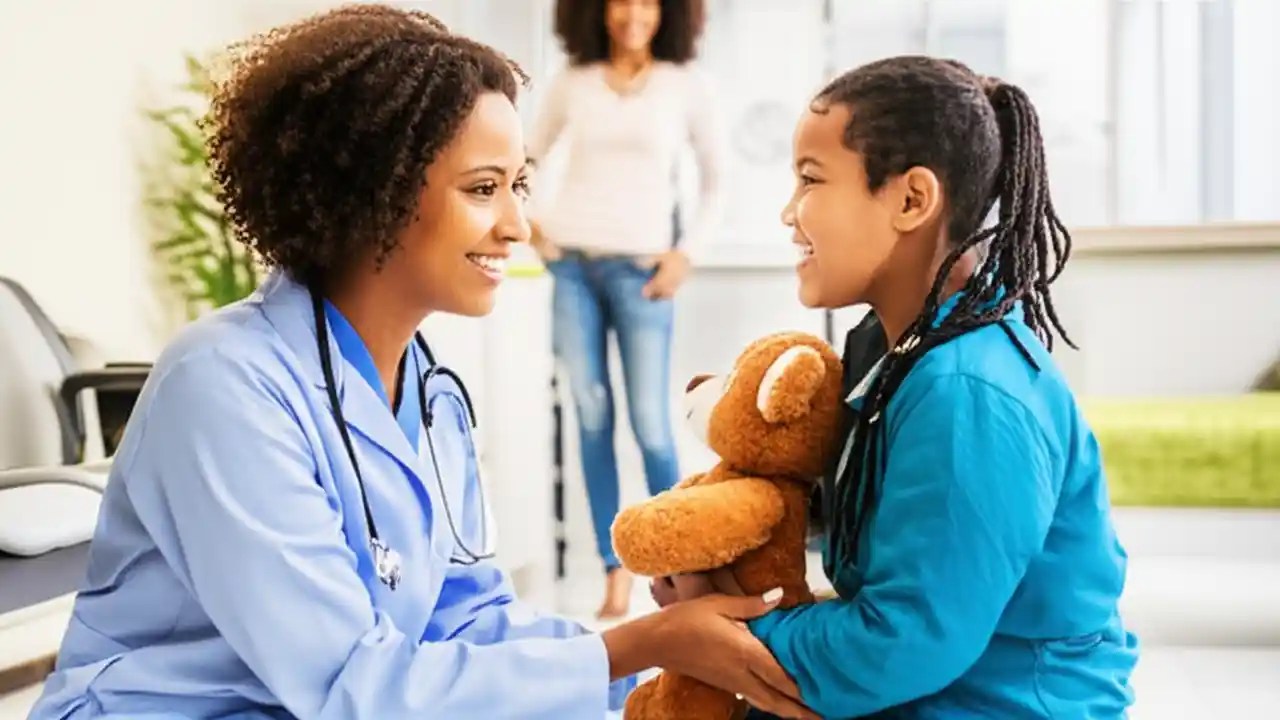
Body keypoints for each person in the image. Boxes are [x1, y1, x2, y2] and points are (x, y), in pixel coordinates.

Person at [25, 7, 818, 720]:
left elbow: (465, 617)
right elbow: (350, 686)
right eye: (483, 189)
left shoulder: (431, 393)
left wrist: (668, 665)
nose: (516, 224)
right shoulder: (225, 385)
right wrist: (641, 646)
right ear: (378, 192)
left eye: (519, 185)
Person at [661, 56, 1141, 719]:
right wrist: (718, 577)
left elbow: (903, 642)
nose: (788, 214)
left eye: (810, 181)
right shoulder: (892, 353)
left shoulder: (969, 392)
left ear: (912, 200)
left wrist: (722, 631)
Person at [526, 0, 726, 619]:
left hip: (645, 273)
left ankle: (680, 565)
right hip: (574, 268)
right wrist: (534, 229)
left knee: (649, 421)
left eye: (646, 1)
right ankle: (614, 571)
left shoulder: (684, 86)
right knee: (588, 413)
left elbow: (718, 179)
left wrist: (685, 254)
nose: (633, 12)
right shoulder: (572, 84)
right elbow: (525, 160)